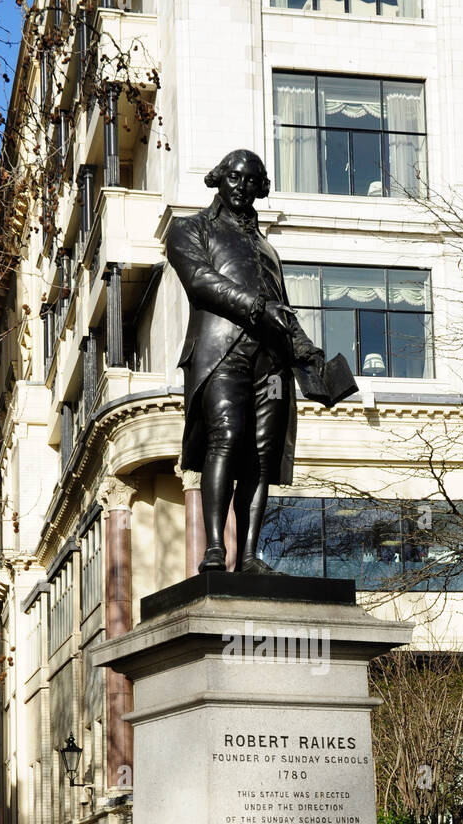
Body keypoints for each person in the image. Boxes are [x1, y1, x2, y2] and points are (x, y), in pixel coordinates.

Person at [166, 149, 325, 573]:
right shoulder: (189, 229)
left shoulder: (265, 247)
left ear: (261, 187)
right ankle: (215, 548)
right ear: (219, 178)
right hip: (221, 352)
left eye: (252, 181)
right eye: (235, 178)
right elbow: (201, 282)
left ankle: (250, 555)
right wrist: (256, 307)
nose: (242, 187)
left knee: (261, 454)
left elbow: (283, 307)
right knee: (227, 438)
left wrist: (308, 354)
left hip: (269, 359)